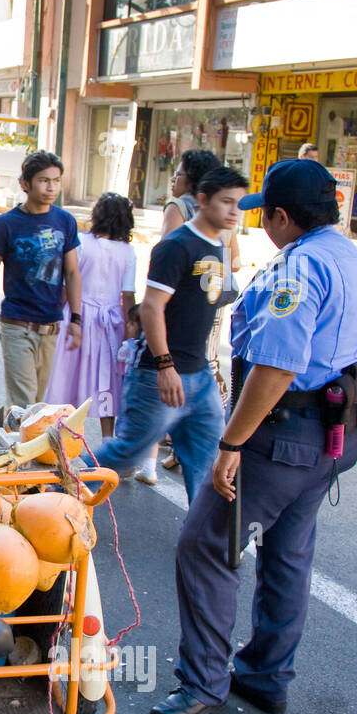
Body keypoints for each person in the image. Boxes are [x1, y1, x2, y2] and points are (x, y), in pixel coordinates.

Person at [147, 158, 357, 714]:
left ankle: (204, 683)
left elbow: (276, 367)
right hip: (335, 435)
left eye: (263, 216)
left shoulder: (295, 271)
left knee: (206, 546)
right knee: (287, 554)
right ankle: (267, 675)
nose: (256, 226)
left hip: (281, 437)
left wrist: (231, 444)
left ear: (281, 215)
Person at [84, 166, 248, 502]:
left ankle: (203, 534)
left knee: (206, 459)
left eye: (239, 204)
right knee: (127, 452)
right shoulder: (177, 246)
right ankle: (50, 490)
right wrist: (165, 365)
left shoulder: (217, 244)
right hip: (158, 374)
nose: (235, 211)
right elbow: (151, 307)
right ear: (202, 200)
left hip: (198, 375)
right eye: (226, 202)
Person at [0, 150, 80, 411]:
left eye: (56, 180)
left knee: (34, 404)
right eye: (44, 180)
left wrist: (76, 319)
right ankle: (17, 447)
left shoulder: (65, 221)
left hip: (50, 327)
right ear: (25, 184)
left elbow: (73, 273)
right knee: (25, 404)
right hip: (17, 325)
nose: (51, 187)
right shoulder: (6, 224)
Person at [148, 149, 222, 482]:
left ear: (191, 180)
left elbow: (166, 258)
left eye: (178, 173)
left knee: (174, 386)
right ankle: (182, 444)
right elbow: (232, 260)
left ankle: (173, 439)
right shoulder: (223, 214)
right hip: (211, 305)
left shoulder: (178, 209)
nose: (174, 179)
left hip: (177, 309)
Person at [44, 192, 136, 437]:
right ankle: (107, 438)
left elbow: (68, 283)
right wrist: (130, 330)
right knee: (106, 380)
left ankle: (66, 437)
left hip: (78, 315)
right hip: (111, 321)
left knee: (69, 376)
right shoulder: (129, 252)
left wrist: (55, 313)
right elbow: (128, 296)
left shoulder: (83, 243)